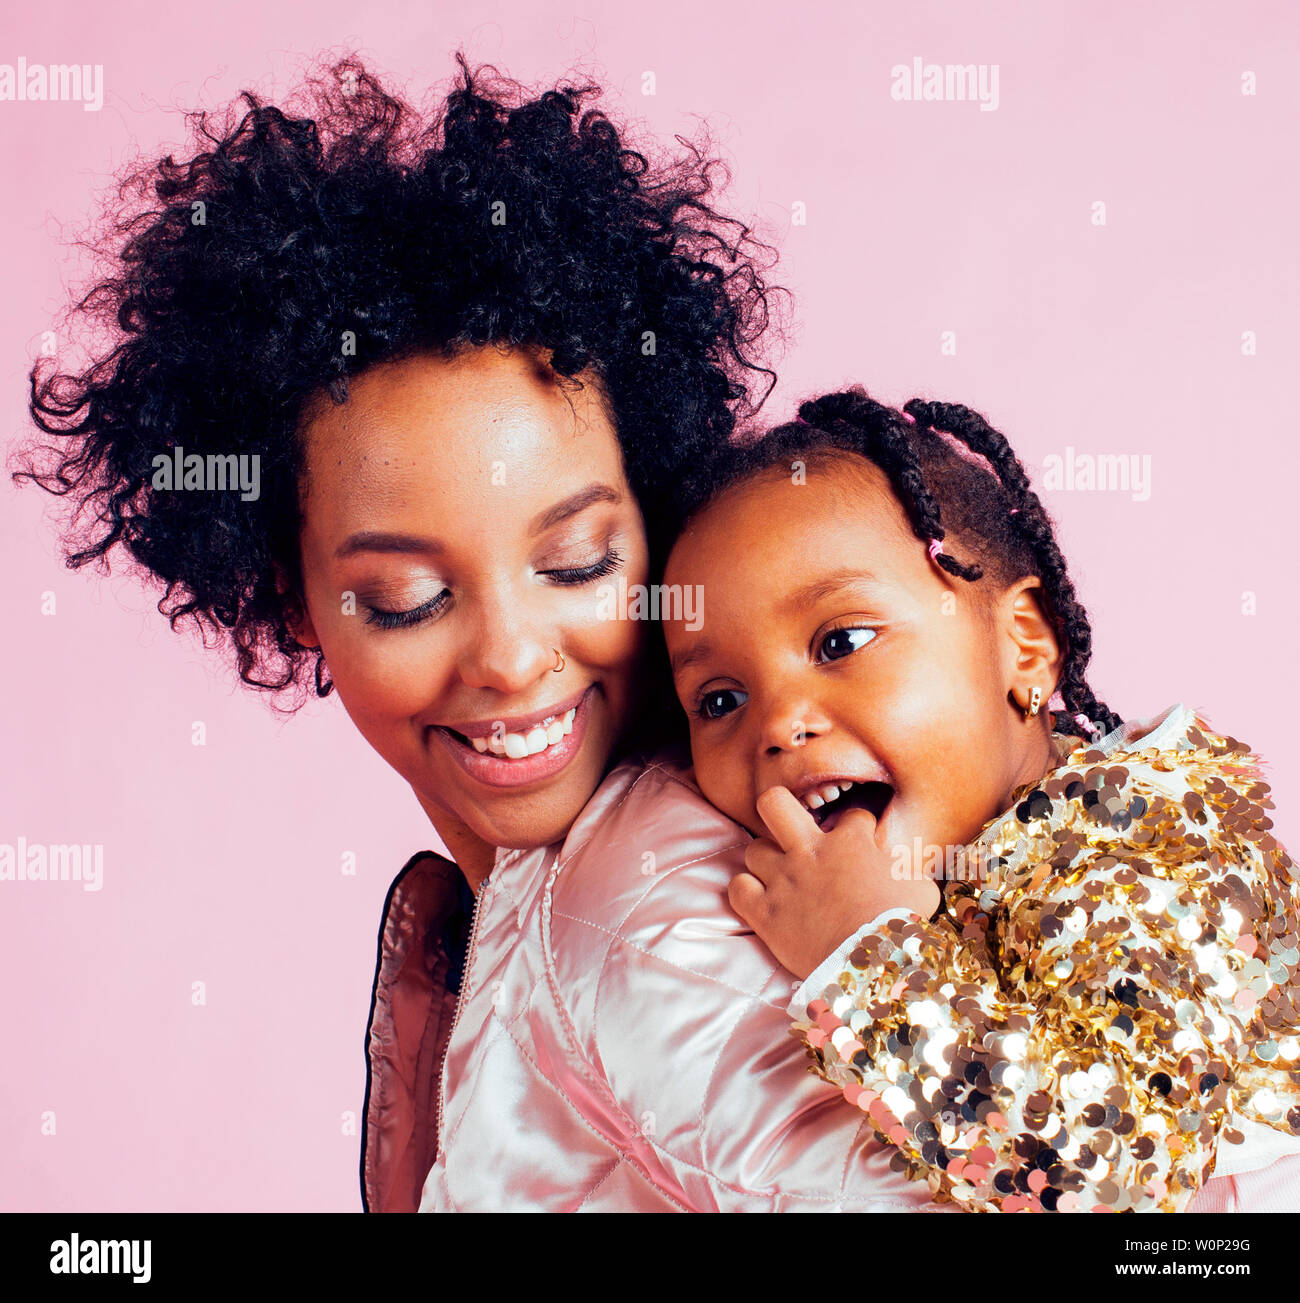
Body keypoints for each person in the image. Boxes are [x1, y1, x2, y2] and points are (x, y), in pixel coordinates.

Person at [656, 387, 1300, 1211]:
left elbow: (1094, 1175)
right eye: (719, 699)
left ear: (1024, 647)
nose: (779, 725)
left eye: (840, 641)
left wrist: (866, 947)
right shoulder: (967, 855)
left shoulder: (1136, 860)